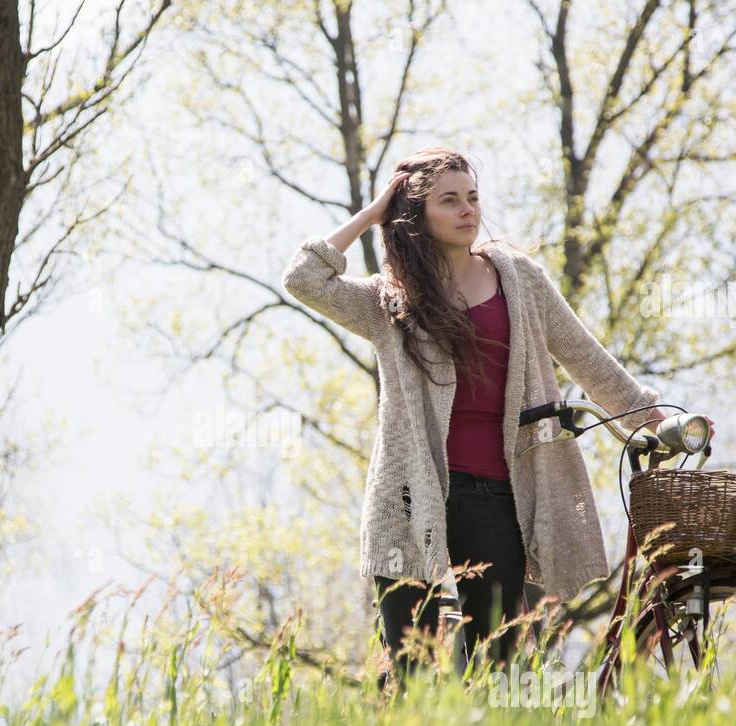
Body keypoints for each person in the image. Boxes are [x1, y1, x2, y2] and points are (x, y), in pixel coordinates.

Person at [281, 146, 713, 695]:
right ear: (417, 216)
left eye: (472, 197)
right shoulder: (390, 301)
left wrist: (650, 416)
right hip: (408, 500)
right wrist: (372, 213)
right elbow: (303, 277)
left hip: (497, 497)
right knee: (410, 674)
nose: (467, 210)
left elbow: (583, 355)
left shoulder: (518, 279)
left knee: (495, 664)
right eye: (449, 201)